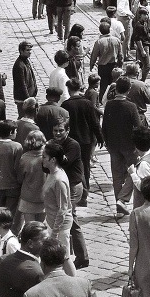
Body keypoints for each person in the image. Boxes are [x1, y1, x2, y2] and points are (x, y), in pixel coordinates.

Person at [102, 76, 143, 217]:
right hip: (129, 146)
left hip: (114, 146)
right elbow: (138, 127)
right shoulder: (131, 107)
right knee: (135, 172)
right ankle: (124, 199)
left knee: (117, 176)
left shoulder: (109, 105)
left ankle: (119, 208)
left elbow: (104, 126)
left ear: (116, 89)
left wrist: (107, 142)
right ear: (129, 90)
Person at [51, 118, 90, 270]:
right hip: (61, 186)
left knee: (70, 219)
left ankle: (82, 257)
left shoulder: (73, 145)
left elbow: (63, 162)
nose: (58, 133)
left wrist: (51, 157)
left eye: (61, 130)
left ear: (67, 131)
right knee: (67, 219)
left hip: (73, 187)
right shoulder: (53, 144)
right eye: (55, 131)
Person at [62, 77, 104, 207]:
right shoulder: (87, 103)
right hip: (86, 140)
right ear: (79, 88)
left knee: (73, 167)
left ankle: (77, 193)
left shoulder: (66, 105)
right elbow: (95, 123)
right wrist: (100, 137)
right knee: (85, 166)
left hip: (72, 142)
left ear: (68, 90)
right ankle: (85, 193)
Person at [40, 139, 77, 276]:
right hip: (52, 221)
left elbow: (63, 208)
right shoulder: (51, 173)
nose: (42, 159)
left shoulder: (59, 179)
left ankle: (74, 284)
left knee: (65, 257)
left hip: (60, 225)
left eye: (44, 157)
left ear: (53, 159)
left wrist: (54, 232)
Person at [90, 20, 123, 102]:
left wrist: (91, 65)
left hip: (103, 67)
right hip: (114, 66)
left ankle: (102, 101)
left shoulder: (99, 42)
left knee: (103, 86)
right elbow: (121, 55)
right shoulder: (116, 40)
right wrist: (120, 65)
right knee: (115, 85)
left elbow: (94, 56)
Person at [11, 41, 38, 117]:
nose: (30, 52)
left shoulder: (26, 61)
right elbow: (22, 84)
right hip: (23, 99)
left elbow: (32, 77)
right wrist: (28, 99)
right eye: (27, 50)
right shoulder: (19, 65)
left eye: (30, 50)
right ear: (21, 51)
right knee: (24, 118)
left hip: (29, 97)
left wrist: (35, 89)